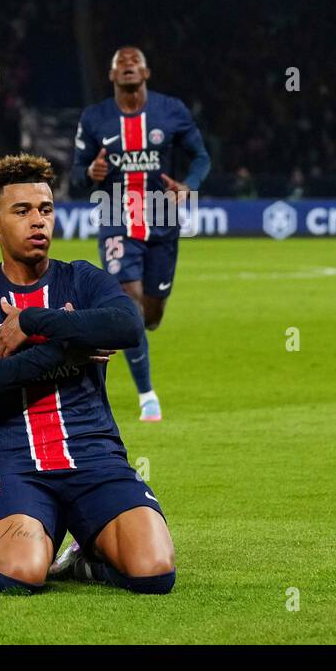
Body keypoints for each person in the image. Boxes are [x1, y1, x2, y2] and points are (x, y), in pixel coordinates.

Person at [0, 153, 176, 594]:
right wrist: (67, 352)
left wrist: (33, 324)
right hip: (16, 465)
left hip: (96, 459)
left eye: (46, 210)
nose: (38, 222)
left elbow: (127, 325)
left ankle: (84, 561)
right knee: (22, 575)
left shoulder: (82, 280)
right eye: (22, 211)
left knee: (156, 571)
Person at [70, 47, 210, 422]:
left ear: (146, 72)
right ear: (112, 75)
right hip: (116, 213)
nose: (129, 65)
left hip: (163, 217)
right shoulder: (95, 118)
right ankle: (148, 396)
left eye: (135, 62)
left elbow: (201, 157)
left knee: (151, 314)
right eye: (121, 63)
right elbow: (75, 175)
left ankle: (147, 321)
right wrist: (90, 174)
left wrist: (189, 184)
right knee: (127, 303)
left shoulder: (171, 111)